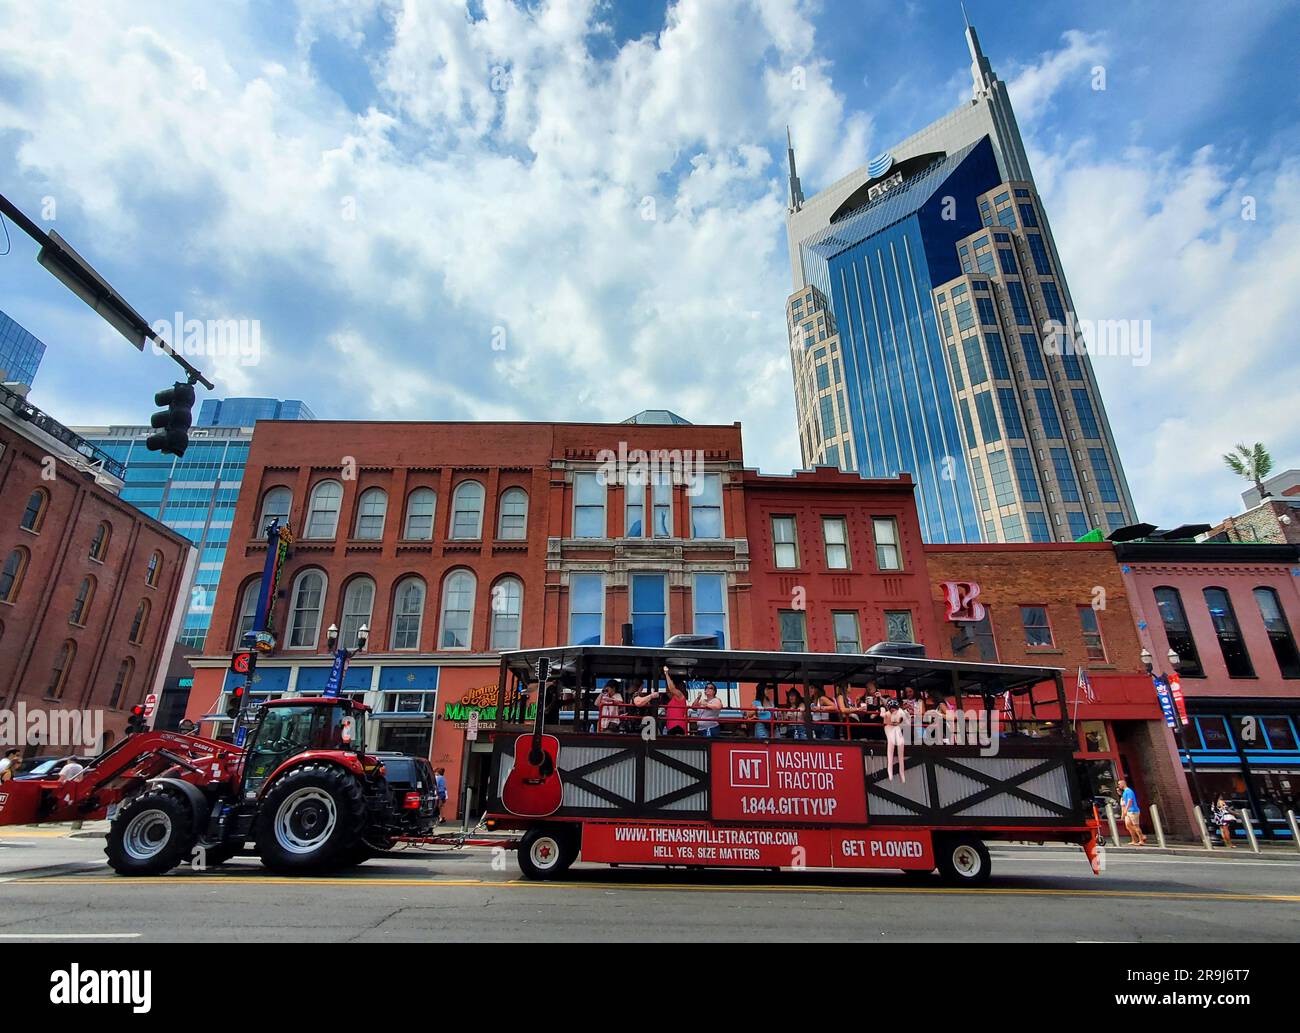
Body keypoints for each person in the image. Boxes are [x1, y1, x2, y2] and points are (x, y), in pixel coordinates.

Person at [882, 699, 907, 782]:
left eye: (894, 709)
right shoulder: (887, 713)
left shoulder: (901, 712)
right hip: (888, 727)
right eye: (891, 709)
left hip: (897, 728)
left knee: (901, 743)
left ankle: (902, 772)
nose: (893, 710)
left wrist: (900, 722)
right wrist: (881, 710)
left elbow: (905, 720)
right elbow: (882, 715)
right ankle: (890, 770)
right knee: (891, 743)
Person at [1118, 779, 1146, 846]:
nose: (1118, 786)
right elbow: (1124, 803)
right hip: (1128, 812)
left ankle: (1141, 839)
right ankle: (1134, 839)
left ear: (1123, 784)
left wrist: (1125, 810)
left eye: (1119, 784)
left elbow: (1130, 801)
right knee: (1128, 825)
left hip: (1133, 811)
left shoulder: (1129, 791)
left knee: (1136, 826)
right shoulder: (1125, 792)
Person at [662, 666, 689, 735]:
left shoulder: (680, 696)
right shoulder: (671, 699)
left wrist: (666, 674)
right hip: (671, 727)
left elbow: (671, 689)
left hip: (678, 727)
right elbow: (669, 691)